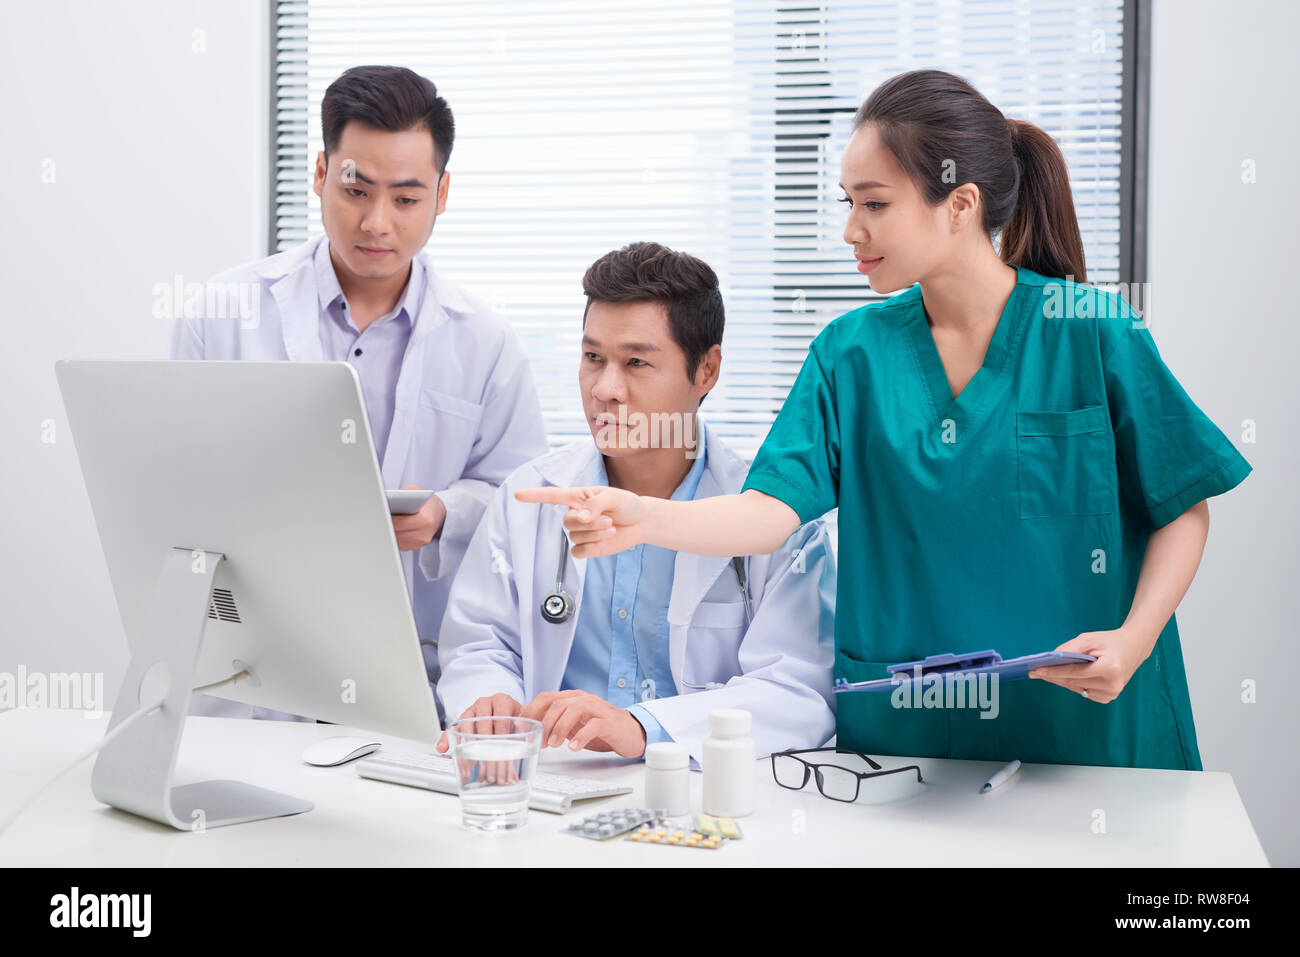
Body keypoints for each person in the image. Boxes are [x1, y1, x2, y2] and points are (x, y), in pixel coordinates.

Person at [518, 70, 1252, 770]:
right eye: (848, 203)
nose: (850, 231)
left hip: (1091, 729)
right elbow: (767, 514)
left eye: (874, 205)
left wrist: (1135, 636)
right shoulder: (852, 355)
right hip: (911, 748)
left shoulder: (1092, 331)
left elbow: (1182, 506)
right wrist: (643, 518)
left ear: (959, 204)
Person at [171, 66, 547, 718]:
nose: (377, 222)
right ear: (321, 174)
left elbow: (523, 505)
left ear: (442, 193)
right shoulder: (223, 311)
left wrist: (443, 516)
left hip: (407, 678)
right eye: (356, 189)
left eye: (406, 198)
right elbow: (172, 480)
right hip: (245, 675)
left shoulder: (487, 344)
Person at [434, 242, 836, 762]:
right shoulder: (528, 495)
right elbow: (478, 645)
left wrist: (644, 727)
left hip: (695, 792)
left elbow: (797, 690)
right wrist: (490, 700)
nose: (606, 388)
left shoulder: (770, 513)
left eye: (637, 363)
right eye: (593, 357)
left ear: (707, 370)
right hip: (551, 780)